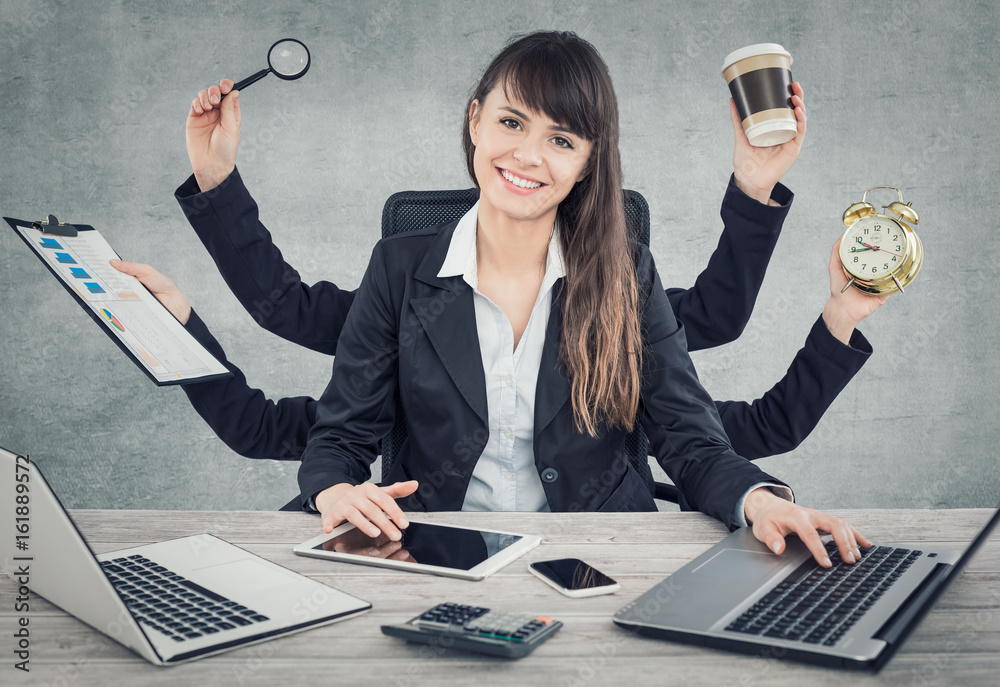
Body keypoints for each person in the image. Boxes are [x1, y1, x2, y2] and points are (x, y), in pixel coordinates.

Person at [179, 31, 873, 568]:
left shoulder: (626, 276)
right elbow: (316, 380)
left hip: (602, 558)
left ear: (586, 163)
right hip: (438, 559)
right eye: (512, 123)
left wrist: (755, 497)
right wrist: (215, 183)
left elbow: (697, 434)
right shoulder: (401, 272)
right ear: (476, 121)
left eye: (561, 139)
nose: (528, 155)